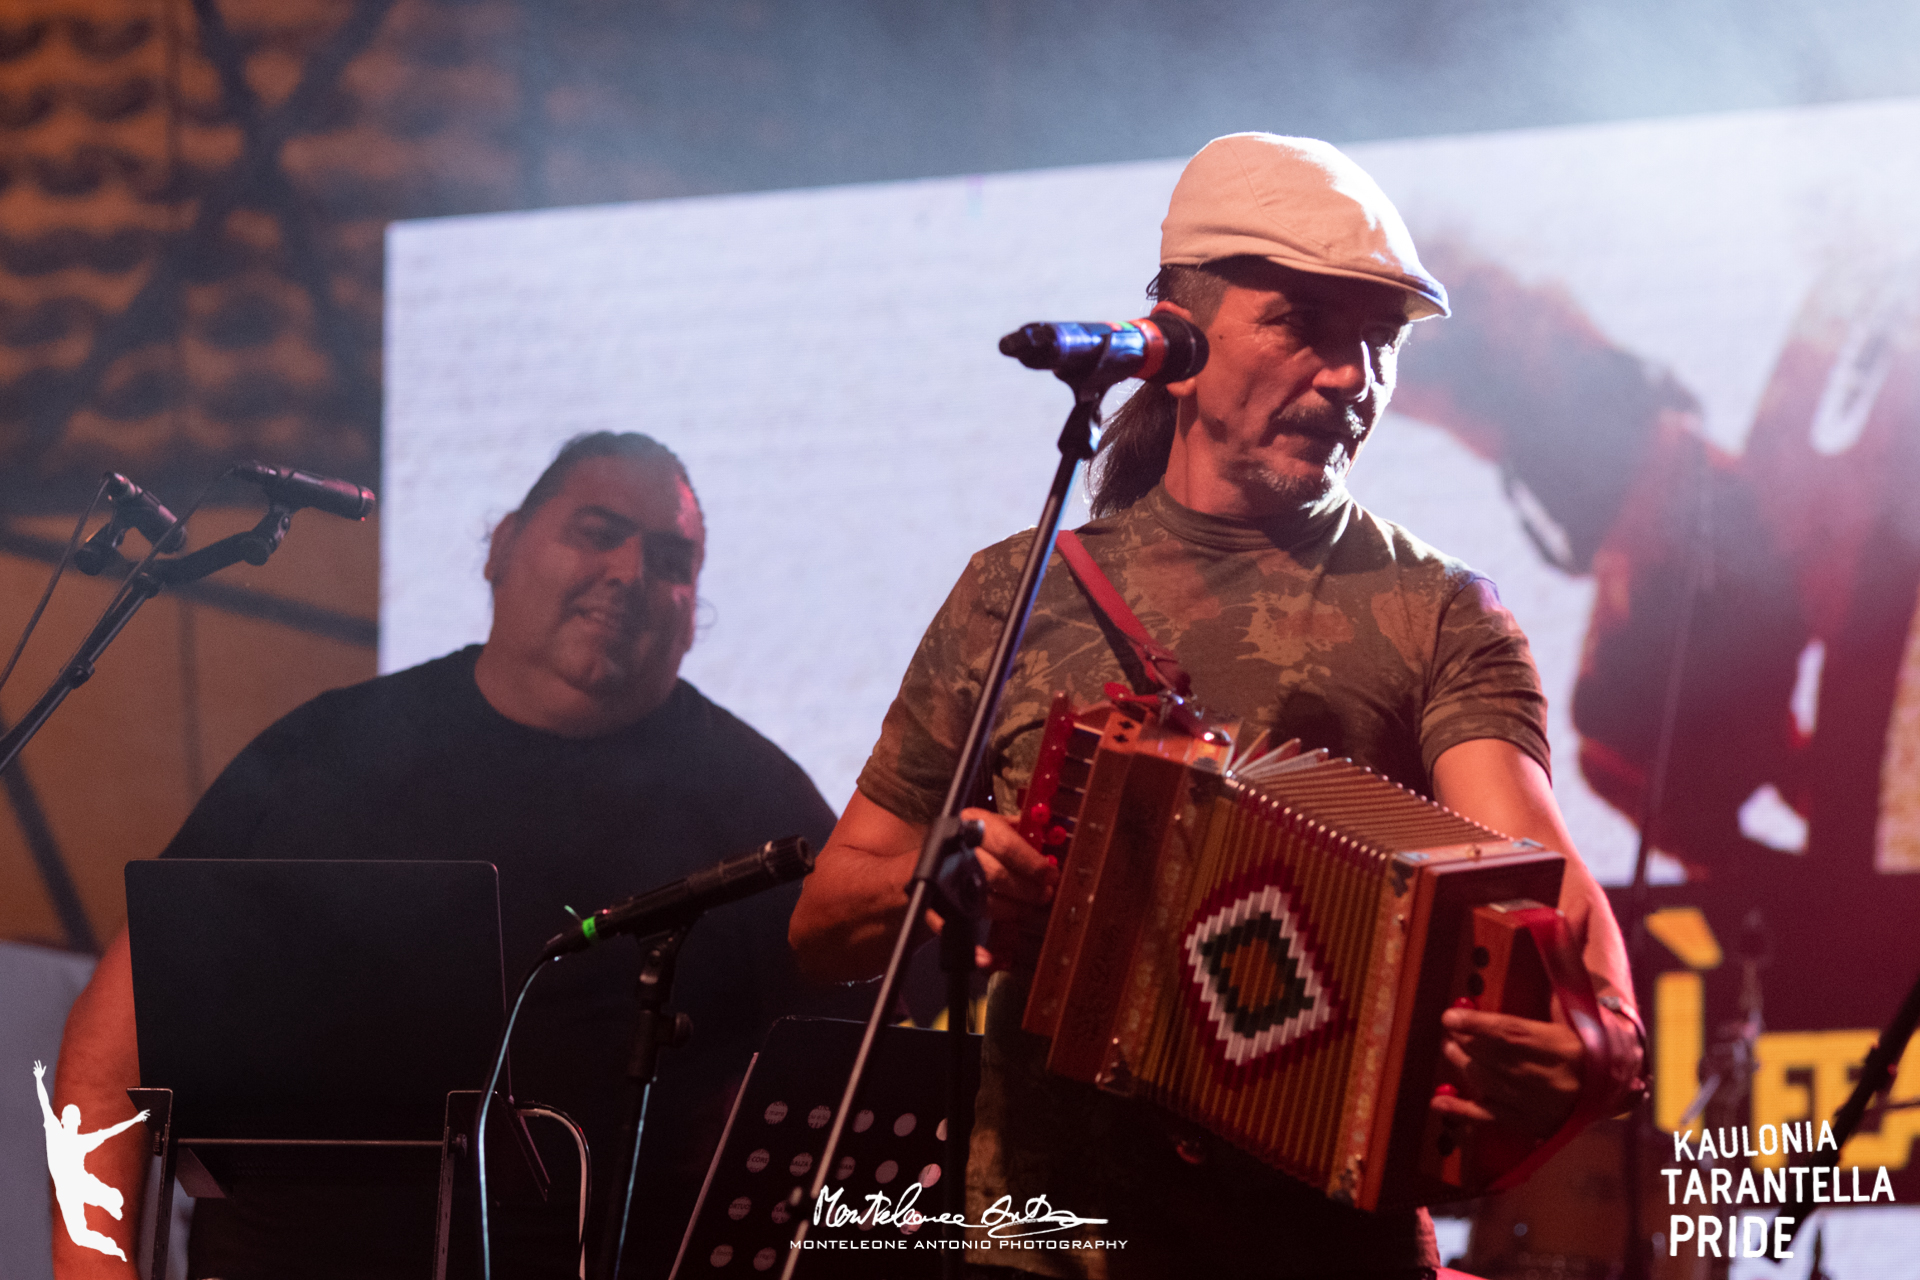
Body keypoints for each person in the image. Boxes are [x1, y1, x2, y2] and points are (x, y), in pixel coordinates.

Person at [789, 133, 1646, 1279]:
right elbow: (822, 922)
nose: (1352, 376)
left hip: (1321, 1249)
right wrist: (950, 876)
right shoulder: (1016, 589)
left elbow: (1539, 879)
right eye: (1305, 326)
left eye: (1377, 341)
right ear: (1177, 346)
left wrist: (1600, 1041)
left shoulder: (1439, 611)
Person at [52, 432, 850, 1279]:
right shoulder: (327, 751)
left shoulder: (763, 806)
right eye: (596, 530)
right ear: (501, 546)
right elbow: (113, 1049)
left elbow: (858, 1094)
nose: (629, 571)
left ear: (694, 606)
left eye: (670, 557)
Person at [35, 1062, 149, 1263]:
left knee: (111, 1198)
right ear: (62, 1120)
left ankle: (109, 1200)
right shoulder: (55, 1133)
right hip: (68, 1191)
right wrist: (38, 1080)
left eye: (74, 1118)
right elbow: (44, 1106)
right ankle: (112, 1245)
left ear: (78, 1122)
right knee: (80, 1236)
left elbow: (111, 1131)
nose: (70, 1122)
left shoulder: (82, 1141)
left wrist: (136, 1120)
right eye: (67, 1118)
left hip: (83, 1183)